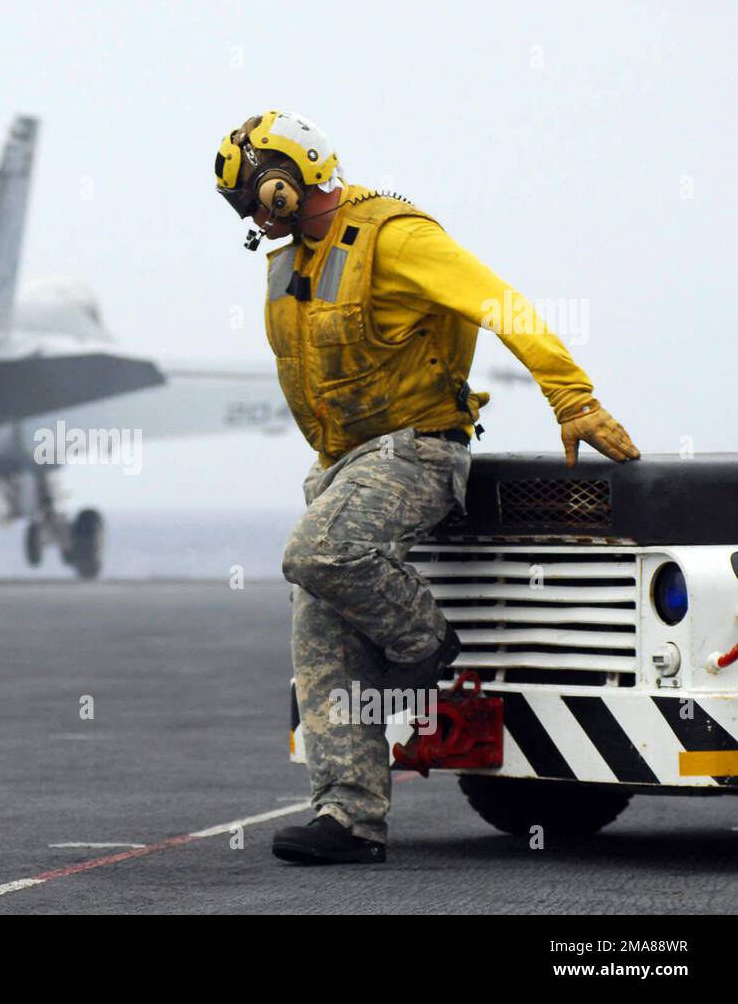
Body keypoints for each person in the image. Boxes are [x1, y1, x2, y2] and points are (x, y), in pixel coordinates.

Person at [213, 110, 641, 864]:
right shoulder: (290, 263)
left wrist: (572, 397)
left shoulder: (397, 236)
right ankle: (349, 819)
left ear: (289, 176)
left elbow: (499, 304)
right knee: (319, 631)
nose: (252, 214)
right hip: (342, 466)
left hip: (418, 451)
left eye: (254, 193)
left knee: (315, 553)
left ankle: (425, 642)